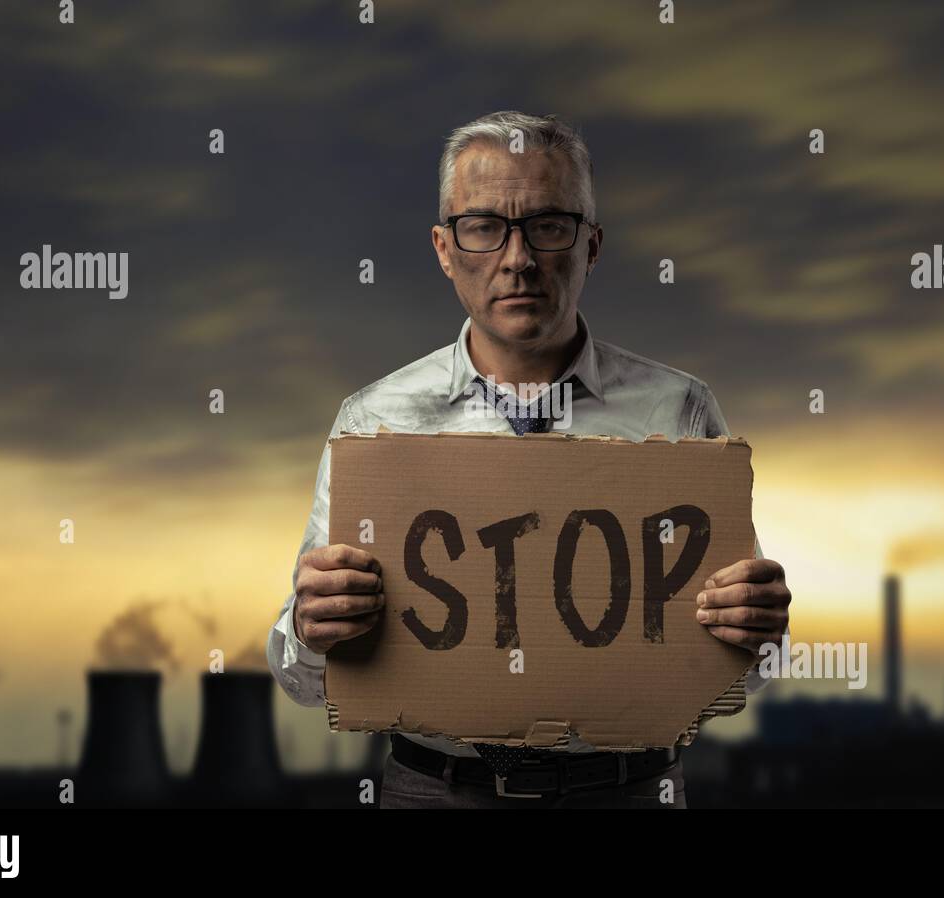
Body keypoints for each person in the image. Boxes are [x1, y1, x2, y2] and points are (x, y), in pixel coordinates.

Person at [267, 111, 791, 808]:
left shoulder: (680, 414)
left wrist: (759, 630)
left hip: (630, 792)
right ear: (444, 249)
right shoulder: (374, 423)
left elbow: (745, 671)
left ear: (592, 245)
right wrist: (309, 630)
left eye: (548, 226)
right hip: (436, 790)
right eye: (483, 227)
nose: (517, 259)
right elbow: (301, 678)